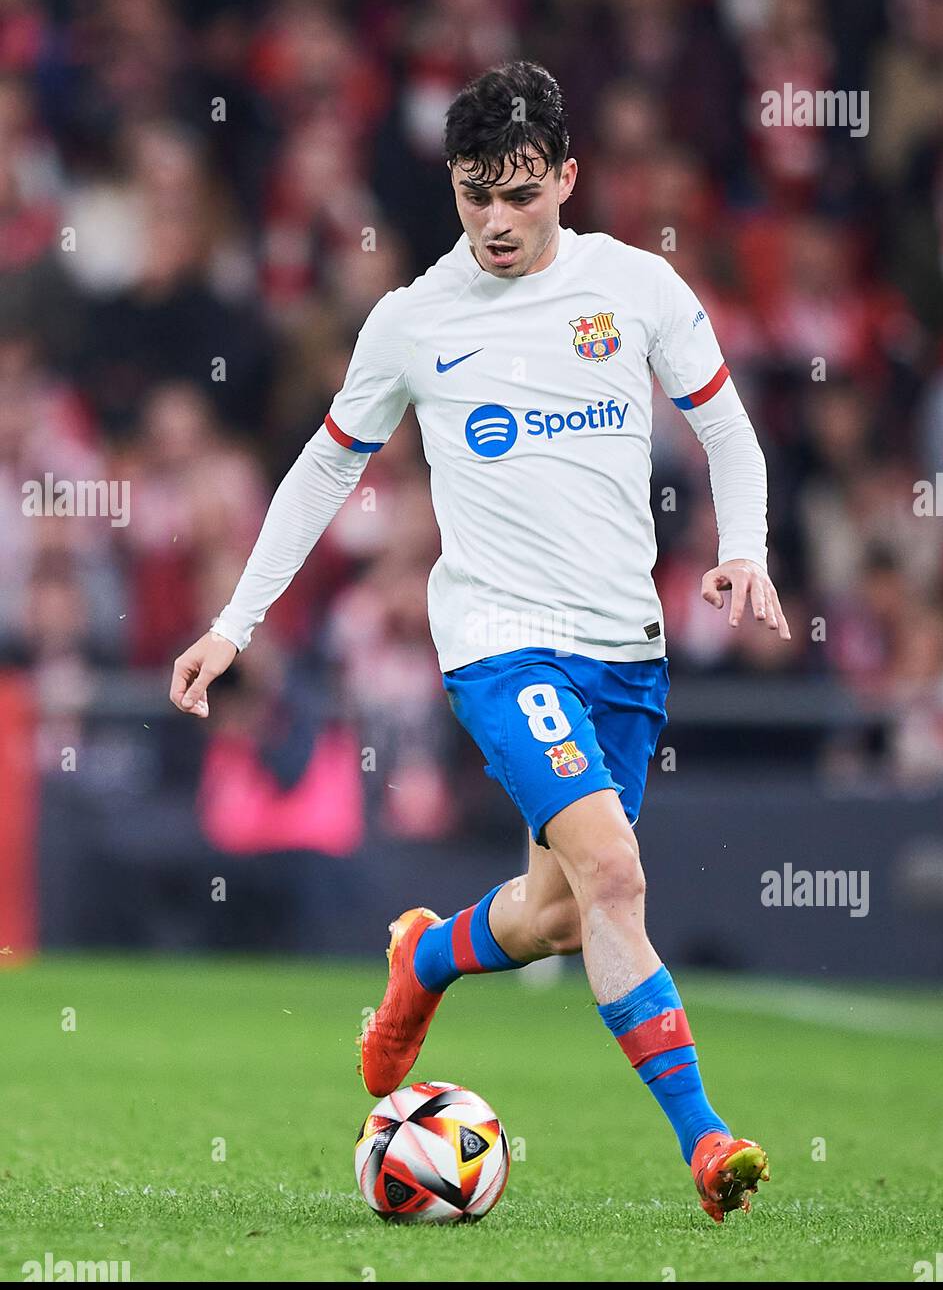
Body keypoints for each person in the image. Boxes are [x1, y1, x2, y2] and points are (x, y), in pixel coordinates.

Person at [169, 61, 790, 1223]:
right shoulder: (411, 320)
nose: (495, 223)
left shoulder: (636, 287)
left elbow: (726, 427)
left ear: (565, 176)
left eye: (517, 194)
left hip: (624, 649)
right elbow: (322, 470)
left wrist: (743, 546)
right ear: (449, 190)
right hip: (499, 641)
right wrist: (231, 624)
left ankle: (429, 958)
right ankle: (705, 1143)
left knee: (560, 912)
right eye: (471, 197)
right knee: (616, 873)